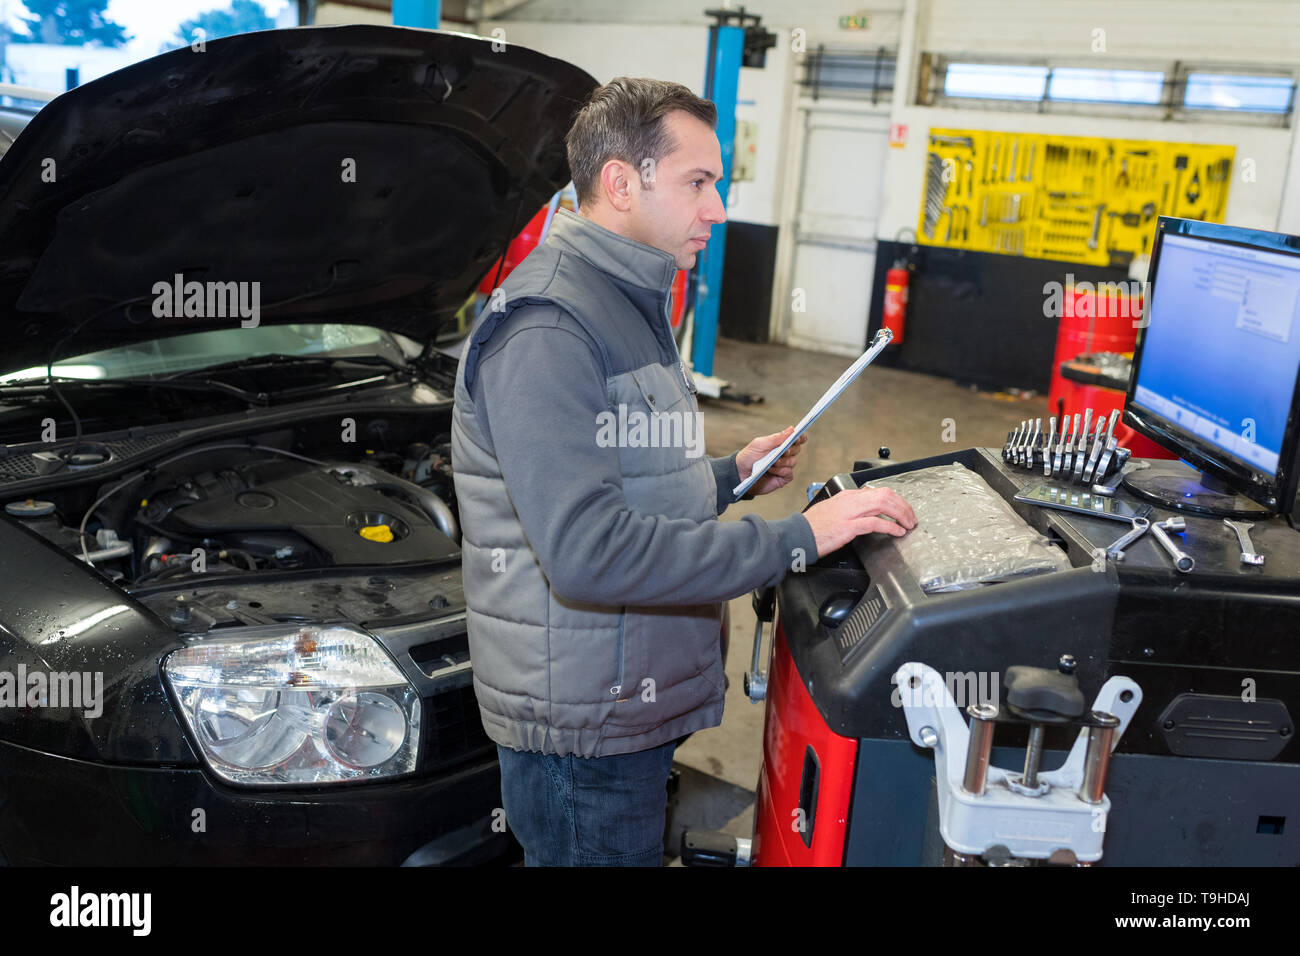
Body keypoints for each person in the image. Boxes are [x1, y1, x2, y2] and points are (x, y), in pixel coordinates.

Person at [451, 77, 916, 866]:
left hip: (620, 709)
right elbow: (589, 551)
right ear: (621, 183)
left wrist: (726, 475)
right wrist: (799, 538)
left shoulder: (623, 299)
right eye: (698, 182)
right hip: (583, 737)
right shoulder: (549, 327)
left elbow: (624, 475)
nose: (718, 208)